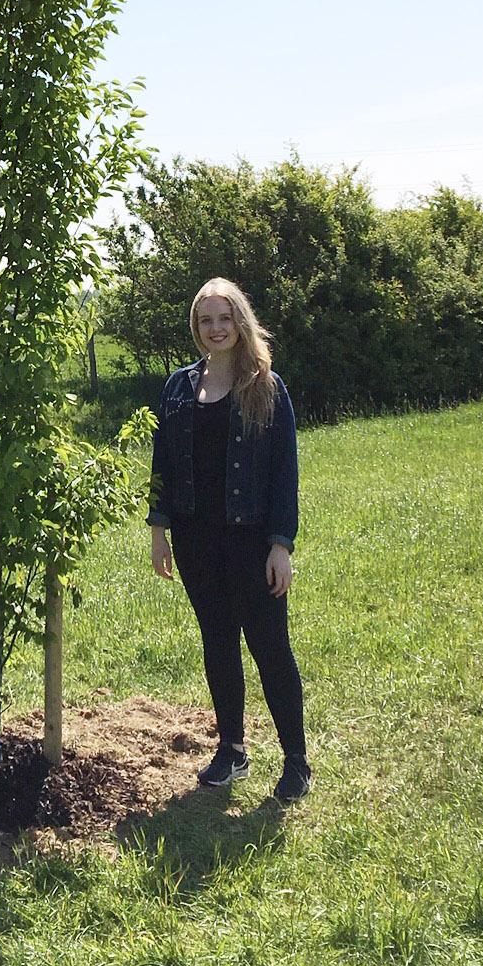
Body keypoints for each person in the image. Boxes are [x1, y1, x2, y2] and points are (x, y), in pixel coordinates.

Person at [148, 277, 313, 804]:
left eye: (224, 318)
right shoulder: (179, 387)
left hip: (251, 542)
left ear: (240, 322)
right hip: (197, 543)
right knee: (218, 645)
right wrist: (160, 532)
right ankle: (233, 750)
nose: (215, 329)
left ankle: (296, 761)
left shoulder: (266, 385)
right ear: (196, 328)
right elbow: (163, 465)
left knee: (270, 649)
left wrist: (281, 544)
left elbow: (285, 471)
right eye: (205, 320)